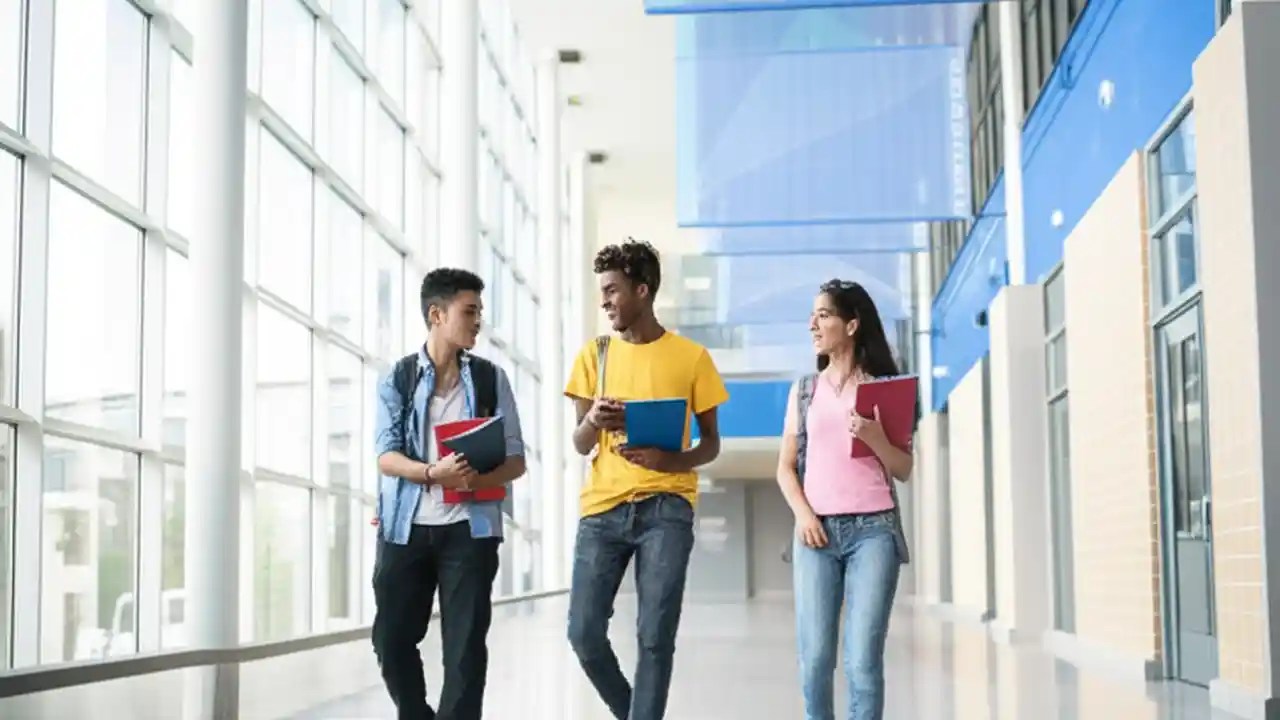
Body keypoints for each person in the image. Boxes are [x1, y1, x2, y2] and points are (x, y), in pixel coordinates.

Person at [563, 238, 729, 720]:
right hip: (602, 511)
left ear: (642, 289)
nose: (605, 301)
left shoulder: (692, 358)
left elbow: (711, 444)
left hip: (667, 510)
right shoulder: (593, 355)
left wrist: (666, 459)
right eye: (602, 291)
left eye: (613, 290)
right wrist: (593, 418)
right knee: (584, 633)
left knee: (655, 635)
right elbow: (579, 443)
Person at [371, 268, 527, 720]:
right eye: (470, 311)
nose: (478, 321)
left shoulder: (492, 380)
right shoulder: (398, 379)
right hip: (406, 530)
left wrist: (472, 481)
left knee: (464, 650)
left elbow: (515, 460)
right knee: (391, 639)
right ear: (436, 314)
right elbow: (386, 455)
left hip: (469, 531)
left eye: (479, 311)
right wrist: (432, 473)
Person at [775, 279, 912, 720]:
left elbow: (903, 469)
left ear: (851, 325)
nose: (813, 323)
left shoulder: (882, 389)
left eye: (824, 314)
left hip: (874, 531)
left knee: (861, 661)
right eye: (813, 315)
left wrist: (875, 437)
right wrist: (803, 515)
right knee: (815, 661)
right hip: (815, 534)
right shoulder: (804, 391)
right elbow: (785, 467)